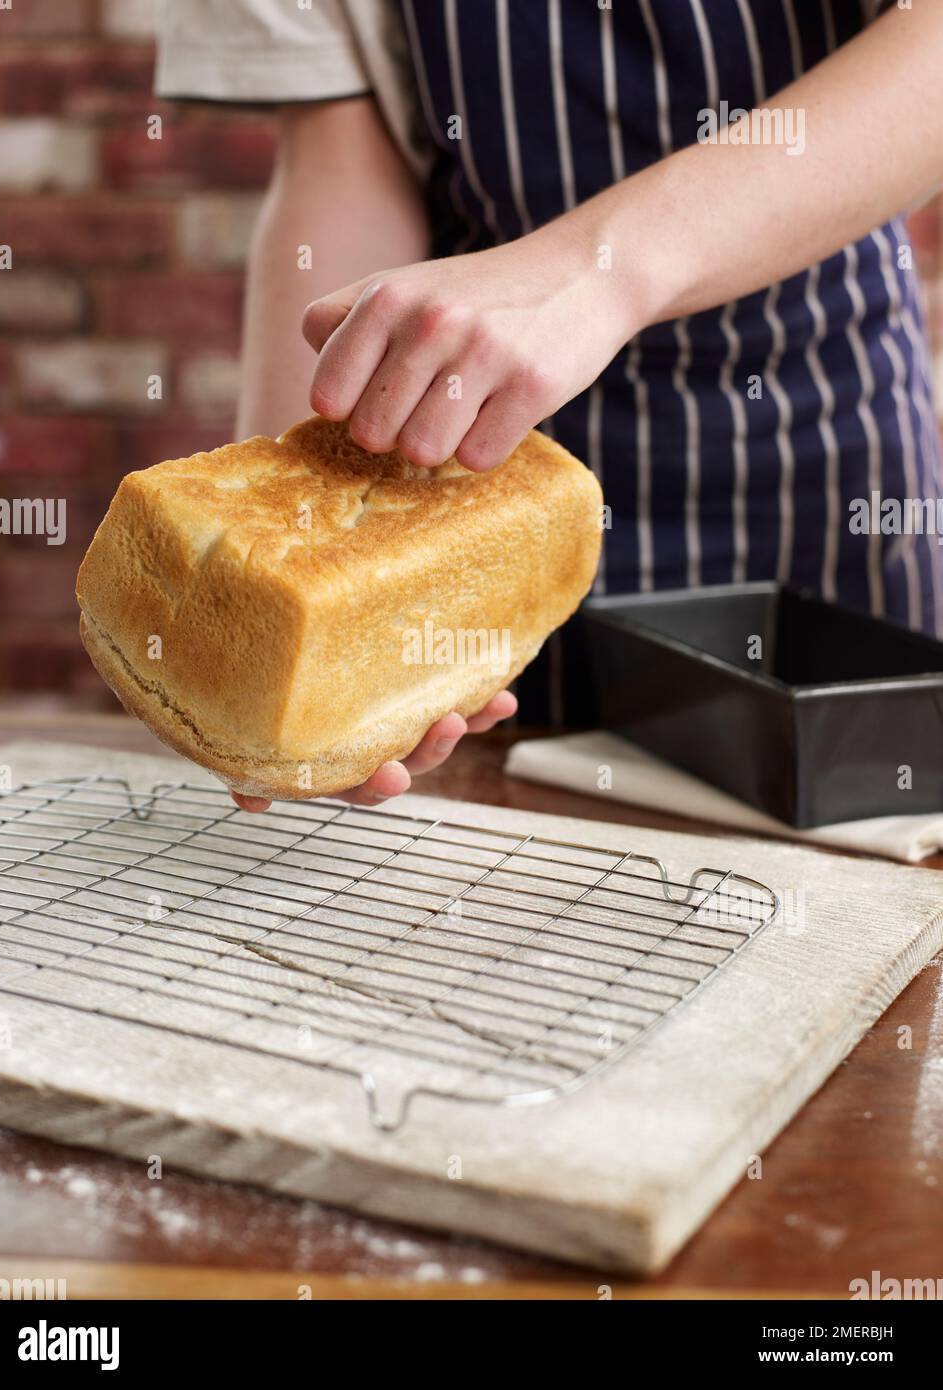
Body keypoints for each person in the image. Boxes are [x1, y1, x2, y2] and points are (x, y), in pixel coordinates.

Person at [156, 0, 943, 812]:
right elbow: (347, 161)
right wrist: (286, 580)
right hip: (470, 472)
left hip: (814, 434)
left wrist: (596, 272)